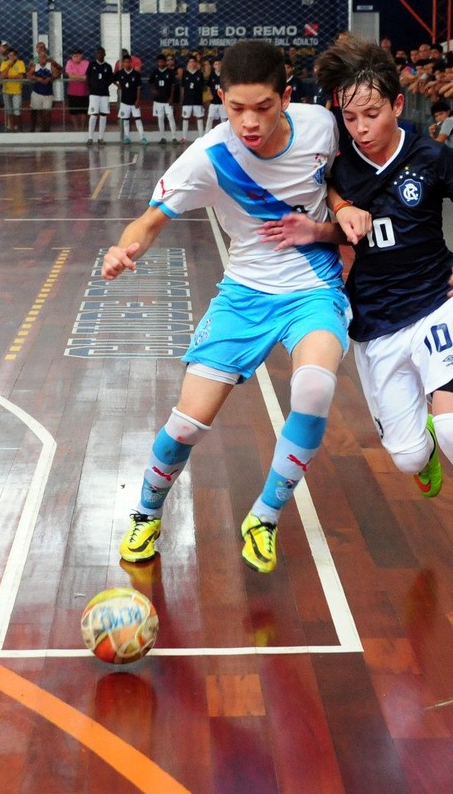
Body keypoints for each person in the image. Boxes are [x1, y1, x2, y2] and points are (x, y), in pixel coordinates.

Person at [289, 37, 453, 597]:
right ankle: (419, 447)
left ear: (398, 105)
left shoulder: (433, 158)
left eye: (372, 113)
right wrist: (334, 214)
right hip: (375, 324)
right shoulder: (340, 165)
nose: (360, 127)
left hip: (436, 305)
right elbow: (334, 209)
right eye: (349, 116)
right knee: (407, 458)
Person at [101, 40, 347, 575]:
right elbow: (150, 220)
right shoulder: (209, 157)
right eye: (236, 108)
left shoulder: (322, 126)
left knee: (314, 388)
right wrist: (124, 249)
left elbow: (339, 181)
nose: (249, 122)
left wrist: (339, 213)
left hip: (313, 289)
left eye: (263, 107)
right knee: (187, 424)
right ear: (221, 99)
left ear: (286, 96)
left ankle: (264, 516)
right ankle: (146, 513)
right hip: (243, 295)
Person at [28, 42, 61, 132]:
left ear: (45, 48)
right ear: (36, 49)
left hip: (47, 90)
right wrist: (37, 78)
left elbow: (60, 71)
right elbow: (28, 73)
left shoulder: (50, 61)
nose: (41, 49)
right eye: (39, 47)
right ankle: (33, 128)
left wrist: (51, 78)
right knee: (35, 110)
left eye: (42, 47)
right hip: (37, 89)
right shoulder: (34, 61)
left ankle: (46, 129)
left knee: (46, 112)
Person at [87, 47, 114, 144]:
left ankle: (100, 138)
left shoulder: (108, 66)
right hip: (94, 94)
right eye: (98, 53)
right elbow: (88, 77)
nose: (99, 55)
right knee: (93, 115)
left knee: (103, 115)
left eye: (101, 53)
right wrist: (91, 88)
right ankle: (90, 138)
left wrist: (104, 85)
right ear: (96, 54)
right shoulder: (92, 65)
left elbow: (111, 79)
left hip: (104, 94)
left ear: (104, 54)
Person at [148, 53, 177, 142]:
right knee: (160, 117)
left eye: (162, 62)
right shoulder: (155, 72)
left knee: (170, 116)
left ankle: (174, 137)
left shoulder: (170, 72)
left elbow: (173, 85)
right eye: (159, 62)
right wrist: (153, 90)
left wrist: (171, 97)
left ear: (165, 62)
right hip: (158, 100)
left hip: (167, 99)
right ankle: (162, 137)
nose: (160, 63)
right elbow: (150, 82)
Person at [0, 47, 27, 132]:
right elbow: (2, 76)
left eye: (13, 55)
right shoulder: (4, 63)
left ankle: (19, 128)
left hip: (17, 90)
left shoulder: (20, 63)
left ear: (16, 56)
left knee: (17, 111)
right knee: (9, 111)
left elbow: (21, 76)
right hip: (6, 90)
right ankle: (11, 128)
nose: (11, 57)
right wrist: (9, 66)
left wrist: (9, 77)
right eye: (10, 55)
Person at [116, 53, 143, 143]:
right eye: (125, 62)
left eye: (128, 62)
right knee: (126, 119)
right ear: (123, 63)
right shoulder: (120, 73)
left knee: (138, 118)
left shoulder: (136, 74)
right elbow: (112, 79)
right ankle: (127, 137)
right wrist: (118, 85)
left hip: (134, 101)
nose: (127, 64)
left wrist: (138, 99)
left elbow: (139, 87)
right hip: (124, 101)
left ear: (131, 62)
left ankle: (142, 137)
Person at [179, 55, 206, 140]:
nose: (192, 63)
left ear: (196, 63)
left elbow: (203, 88)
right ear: (188, 63)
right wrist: (182, 99)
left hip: (197, 100)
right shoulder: (185, 74)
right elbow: (182, 87)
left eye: (193, 62)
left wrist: (203, 99)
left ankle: (201, 137)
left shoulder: (200, 74)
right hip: (187, 100)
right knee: (185, 118)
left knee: (199, 118)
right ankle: (184, 137)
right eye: (190, 62)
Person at [64, 47, 90, 132]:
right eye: (73, 56)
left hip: (84, 91)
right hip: (72, 91)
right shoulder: (69, 62)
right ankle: (76, 129)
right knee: (73, 111)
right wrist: (82, 77)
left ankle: (82, 128)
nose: (75, 57)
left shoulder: (86, 63)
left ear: (81, 55)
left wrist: (76, 77)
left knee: (84, 111)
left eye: (77, 55)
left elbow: (87, 76)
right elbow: (71, 76)